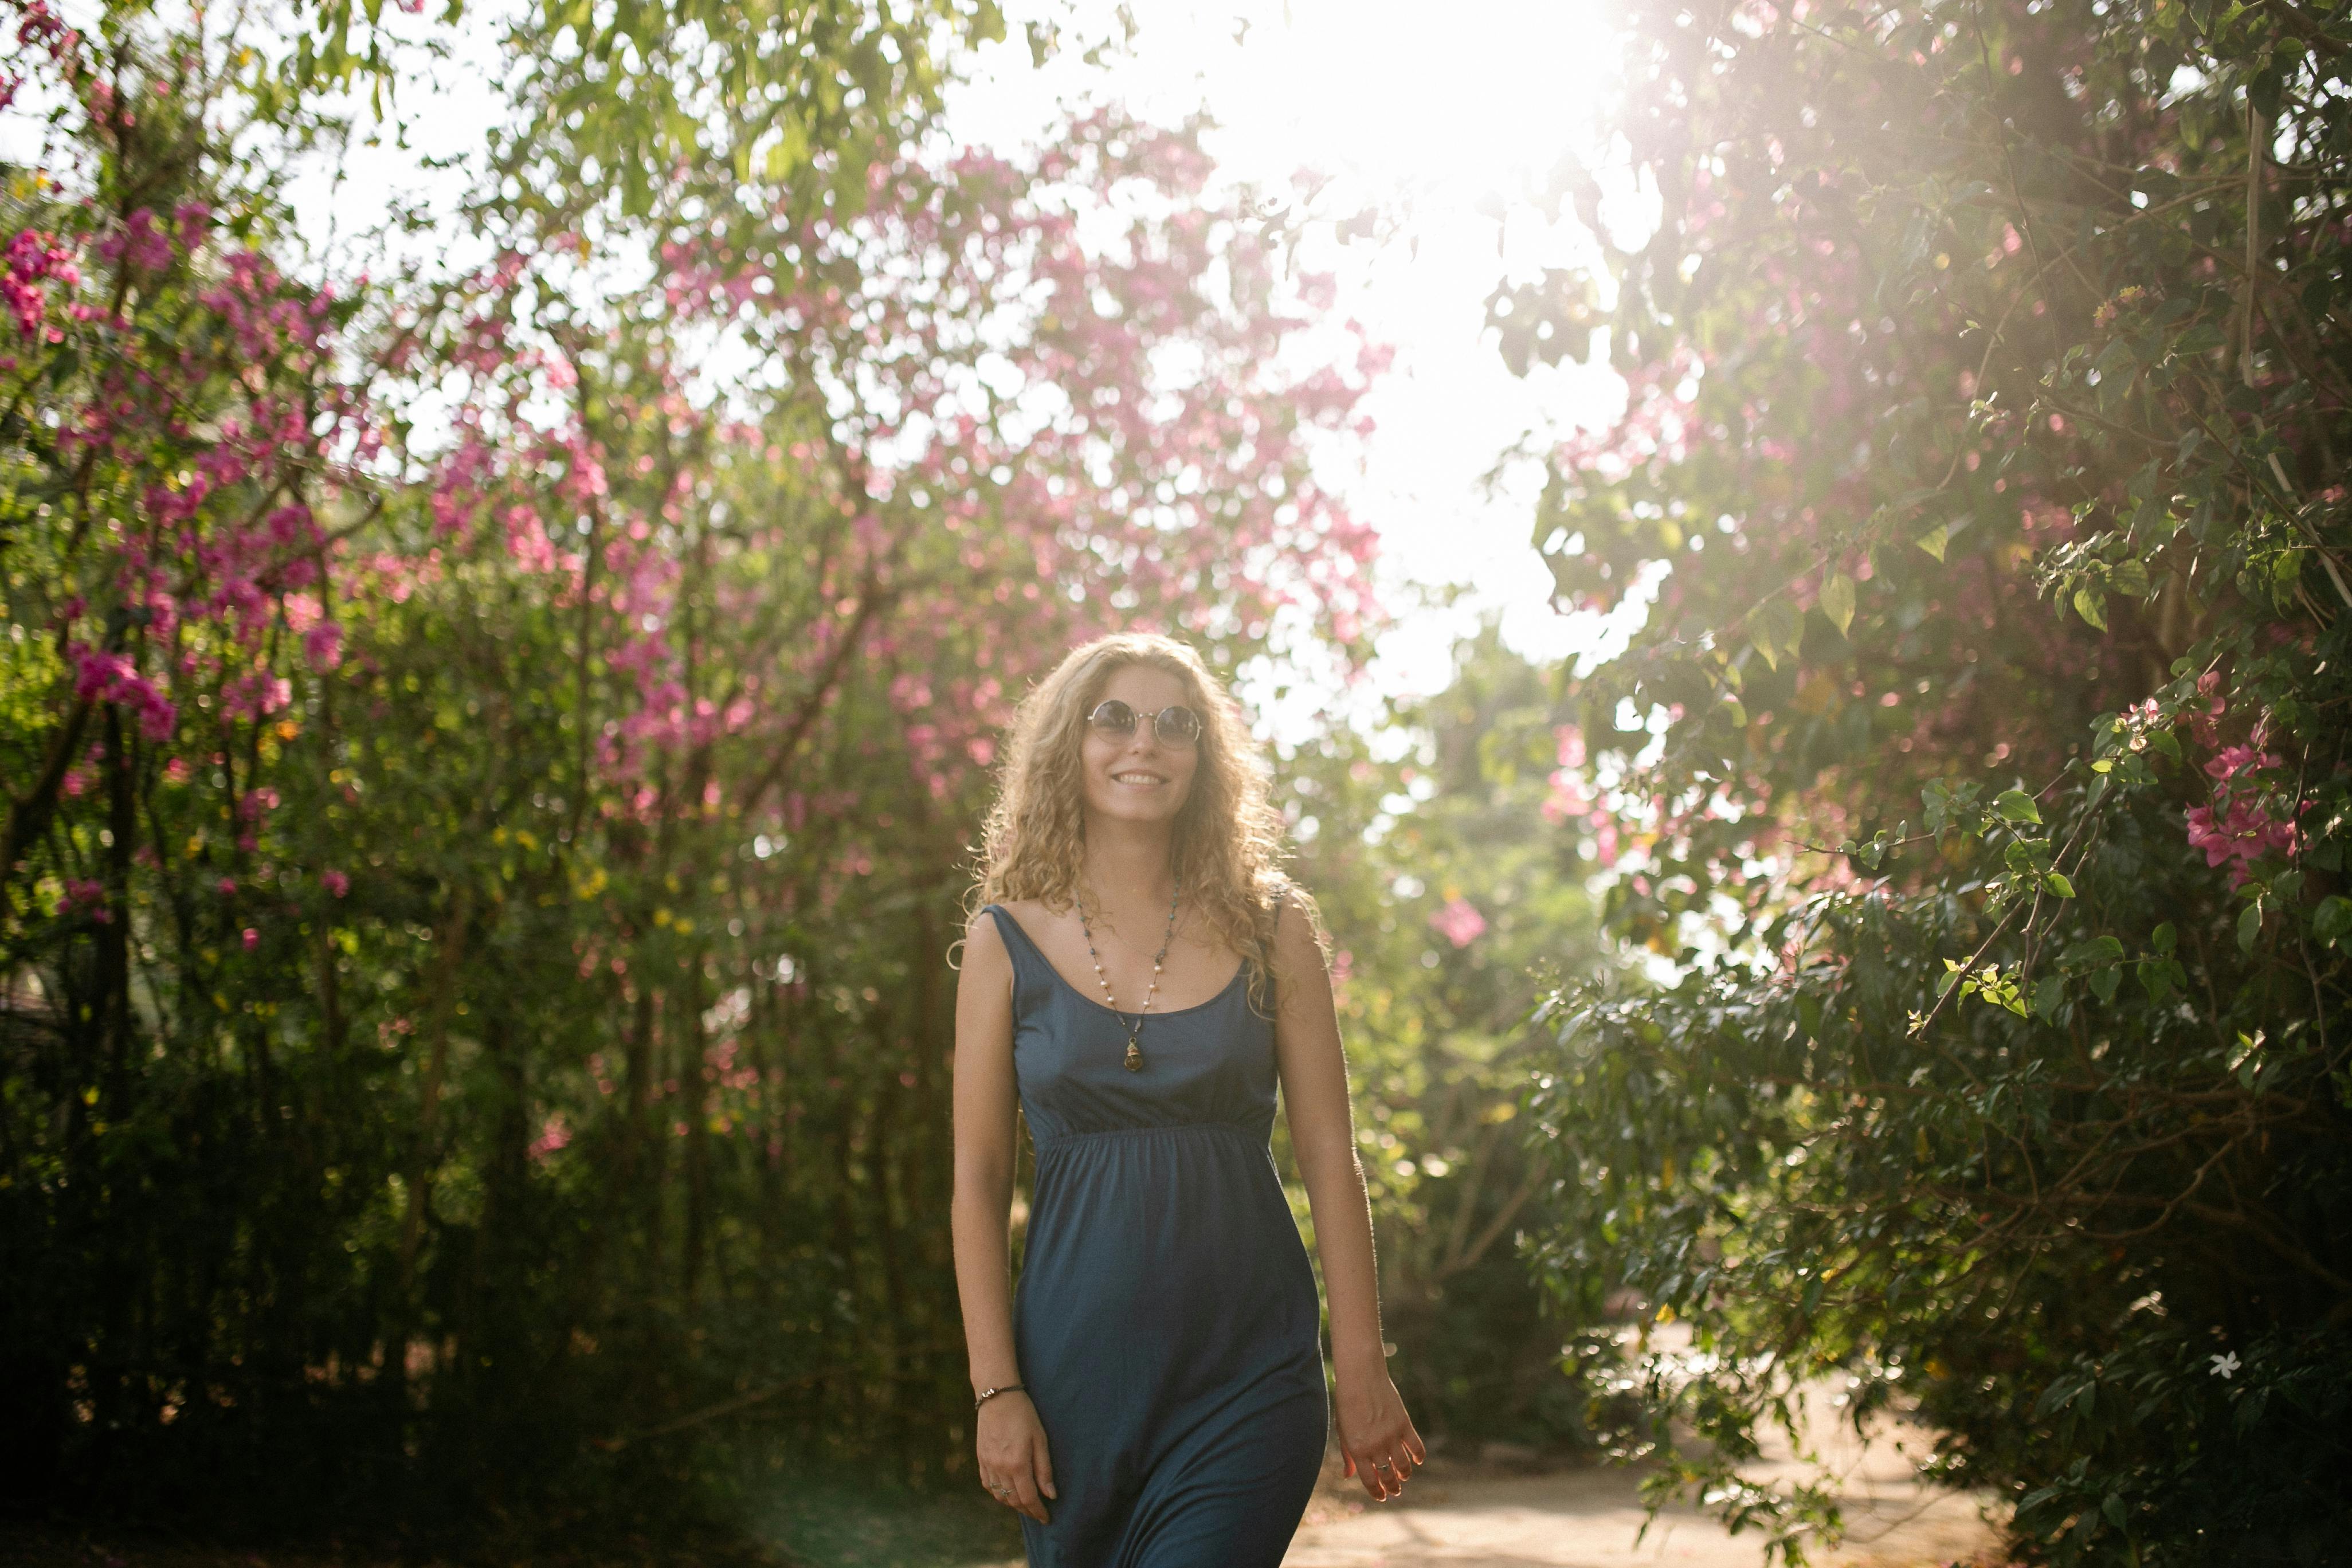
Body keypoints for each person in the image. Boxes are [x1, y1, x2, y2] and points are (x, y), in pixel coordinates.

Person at [951, 632, 1425, 1567]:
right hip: (1074, 1382)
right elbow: (976, 1178)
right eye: (1114, 719)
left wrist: (1362, 1363)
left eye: (1176, 724)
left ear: (1204, 756)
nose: (1145, 744)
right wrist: (995, 1391)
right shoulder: (1003, 942)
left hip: (1248, 1373)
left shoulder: (1272, 925)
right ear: (1068, 746)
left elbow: (1332, 1155)